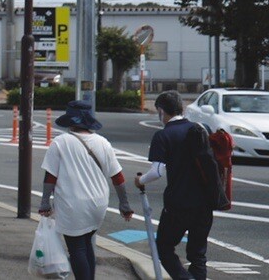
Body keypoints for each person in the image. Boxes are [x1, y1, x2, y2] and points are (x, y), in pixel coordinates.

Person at [39, 99, 134, 280]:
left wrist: (44, 203)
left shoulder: (60, 142)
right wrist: (124, 205)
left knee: (76, 249)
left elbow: (50, 178)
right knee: (86, 244)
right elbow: (118, 177)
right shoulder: (103, 142)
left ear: (70, 121)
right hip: (98, 204)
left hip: (72, 204)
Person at [135, 90, 215, 280]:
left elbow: (156, 172)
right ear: (182, 108)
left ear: (161, 111)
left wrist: (140, 181)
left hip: (179, 203)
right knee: (198, 255)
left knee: (164, 246)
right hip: (205, 202)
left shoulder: (164, 135)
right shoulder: (198, 129)